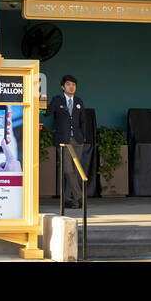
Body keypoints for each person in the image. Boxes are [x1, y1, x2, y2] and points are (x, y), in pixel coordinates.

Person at [46, 74, 86, 207]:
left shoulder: (79, 101)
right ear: (63, 87)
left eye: (74, 85)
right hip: (63, 140)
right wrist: (41, 102)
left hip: (77, 140)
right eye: (68, 84)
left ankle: (68, 200)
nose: (71, 87)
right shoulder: (57, 100)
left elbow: (83, 121)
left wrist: (83, 137)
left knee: (74, 171)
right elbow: (47, 113)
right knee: (68, 170)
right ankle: (80, 198)